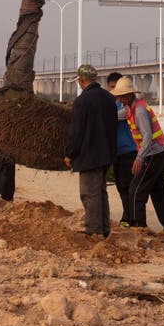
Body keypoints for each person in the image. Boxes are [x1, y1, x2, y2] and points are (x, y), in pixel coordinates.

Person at [111, 76, 164, 234]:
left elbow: (147, 136)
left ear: (129, 95)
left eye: (121, 95)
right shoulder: (129, 108)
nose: (119, 98)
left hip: (153, 153)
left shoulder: (139, 110)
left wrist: (139, 158)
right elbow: (115, 116)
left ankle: (139, 226)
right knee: (159, 190)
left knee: (136, 189)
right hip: (159, 151)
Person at [64, 64, 117, 238]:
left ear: (81, 79)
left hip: (89, 156)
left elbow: (76, 131)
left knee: (89, 194)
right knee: (101, 192)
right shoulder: (109, 98)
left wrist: (70, 153)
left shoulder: (82, 101)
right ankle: (104, 228)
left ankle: (94, 231)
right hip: (107, 154)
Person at [106, 72, 138, 227]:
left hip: (129, 151)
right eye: (112, 88)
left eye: (116, 88)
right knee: (120, 186)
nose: (114, 92)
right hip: (116, 152)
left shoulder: (126, 105)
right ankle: (128, 216)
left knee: (127, 186)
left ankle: (130, 218)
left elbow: (113, 117)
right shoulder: (110, 104)